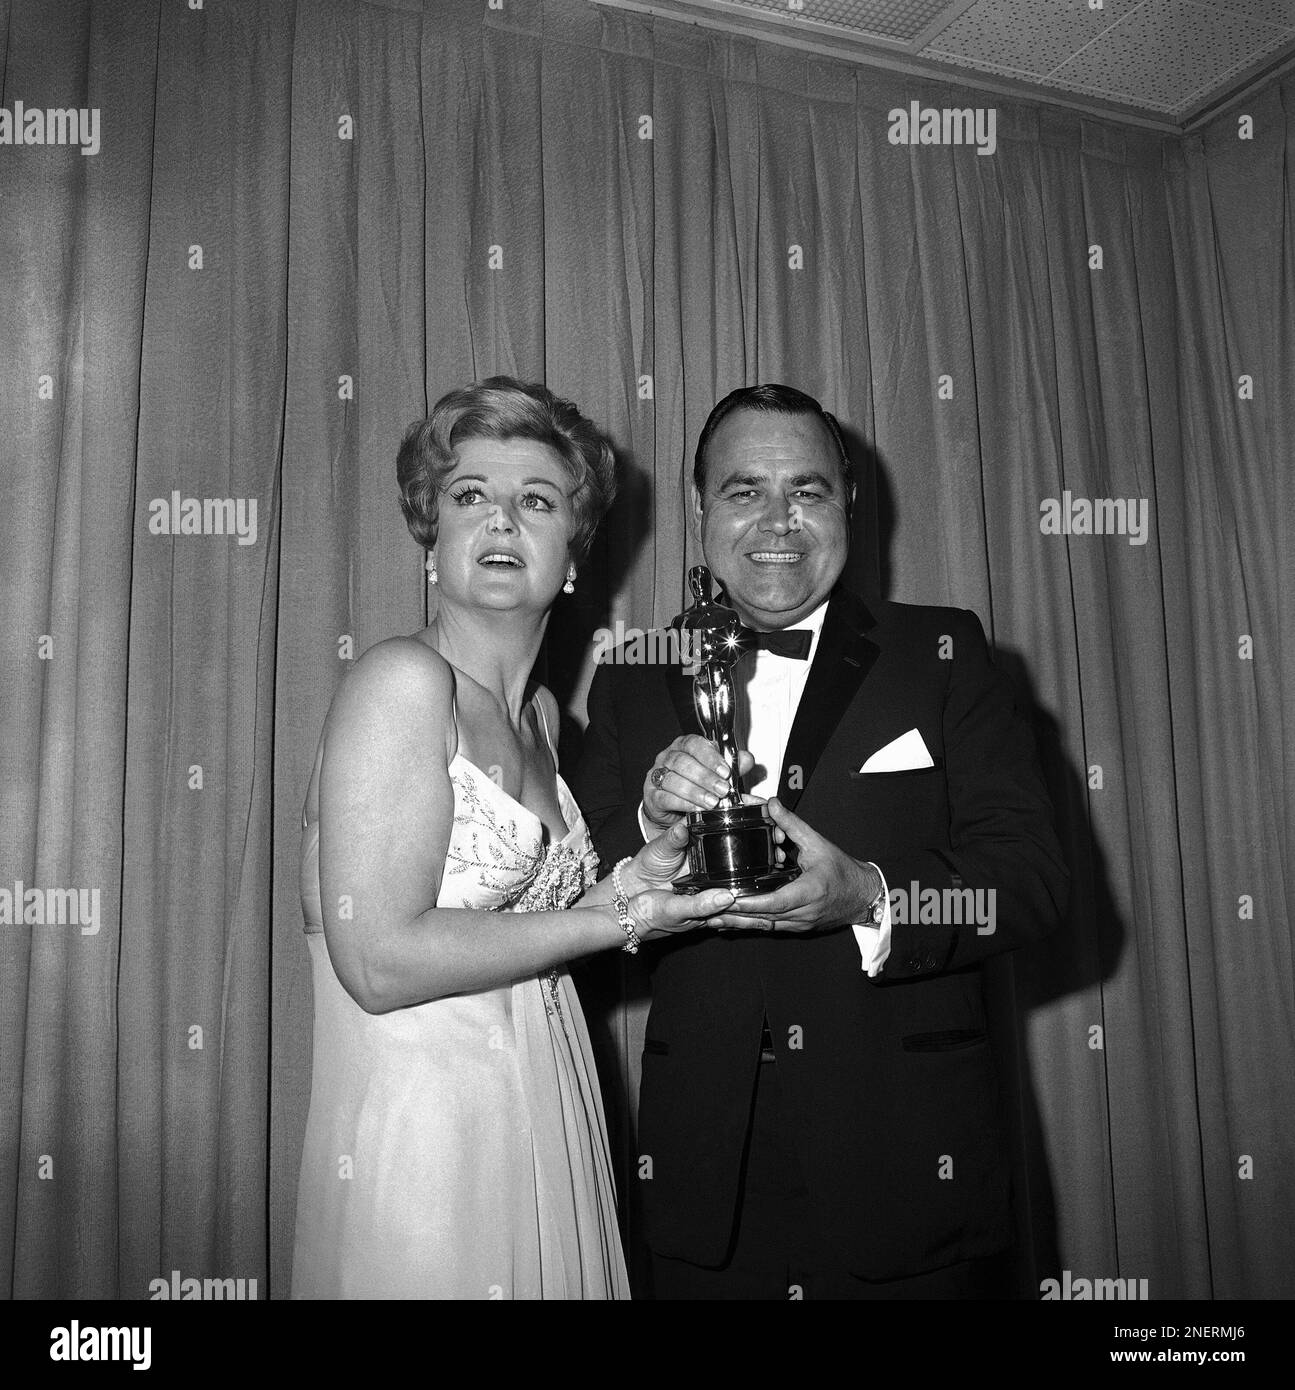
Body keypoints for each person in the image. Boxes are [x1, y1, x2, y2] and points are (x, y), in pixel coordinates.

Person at [572, 383, 1070, 1299]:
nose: (778, 521)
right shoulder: (632, 675)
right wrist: (650, 829)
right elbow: (578, 899)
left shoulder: (945, 653)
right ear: (699, 510)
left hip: (909, 1159)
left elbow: (1031, 879)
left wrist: (871, 897)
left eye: (806, 490)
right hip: (702, 1176)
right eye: (743, 490)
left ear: (848, 505)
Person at [291, 377, 737, 1299]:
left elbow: (521, 924)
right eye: (469, 496)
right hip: (424, 1150)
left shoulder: (538, 718)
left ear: (572, 557)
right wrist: (622, 921)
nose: (500, 520)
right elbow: (377, 960)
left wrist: (634, 877)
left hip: (547, 1121)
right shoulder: (400, 683)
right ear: (433, 538)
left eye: (535, 501)